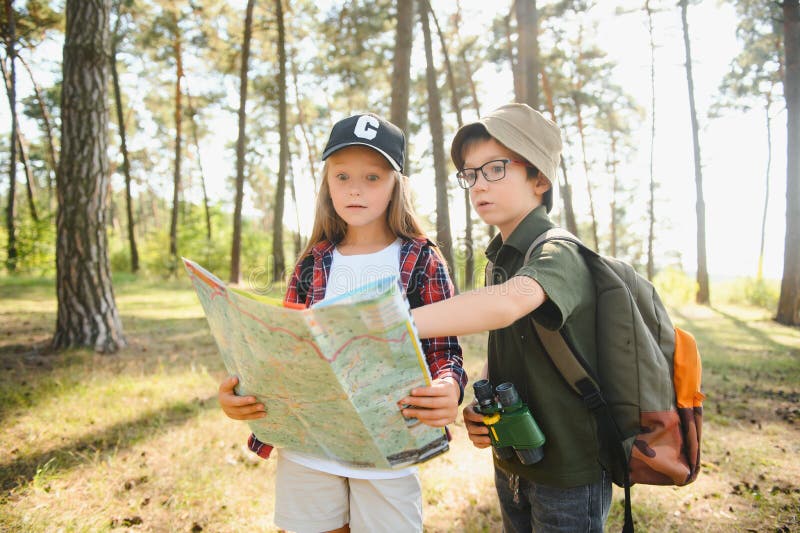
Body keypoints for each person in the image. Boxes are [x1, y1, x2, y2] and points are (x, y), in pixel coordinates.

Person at [217, 113, 466, 533]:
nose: (354, 189)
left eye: (372, 177)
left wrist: (450, 387)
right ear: (327, 184)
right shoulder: (314, 262)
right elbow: (284, 352)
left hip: (388, 440)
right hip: (310, 443)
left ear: (396, 185)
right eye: (342, 176)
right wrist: (242, 391)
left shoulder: (421, 258)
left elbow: (444, 351)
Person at [409, 103, 612, 532]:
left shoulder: (558, 252)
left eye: (495, 169)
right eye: (471, 173)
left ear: (539, 178)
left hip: (570, 473)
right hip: (515, 462)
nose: (478, 184)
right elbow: (510, 345)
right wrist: (479, 411)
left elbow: (505, 304)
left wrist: (396, 322)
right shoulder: (503, 258)